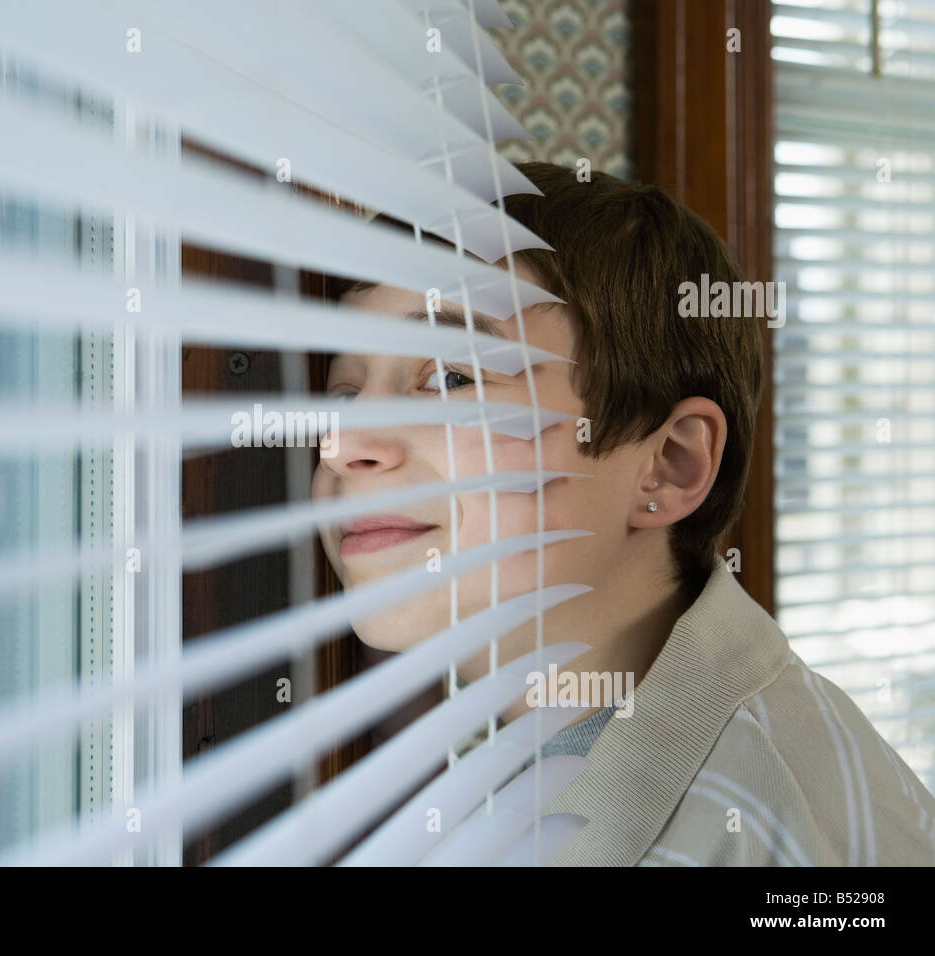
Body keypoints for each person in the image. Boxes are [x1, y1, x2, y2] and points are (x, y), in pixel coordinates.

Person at [310, 161, 935, 865]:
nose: (341, 444)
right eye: (341, 395)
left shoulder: (750, 835)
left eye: (452, 378)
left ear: (668, 465)